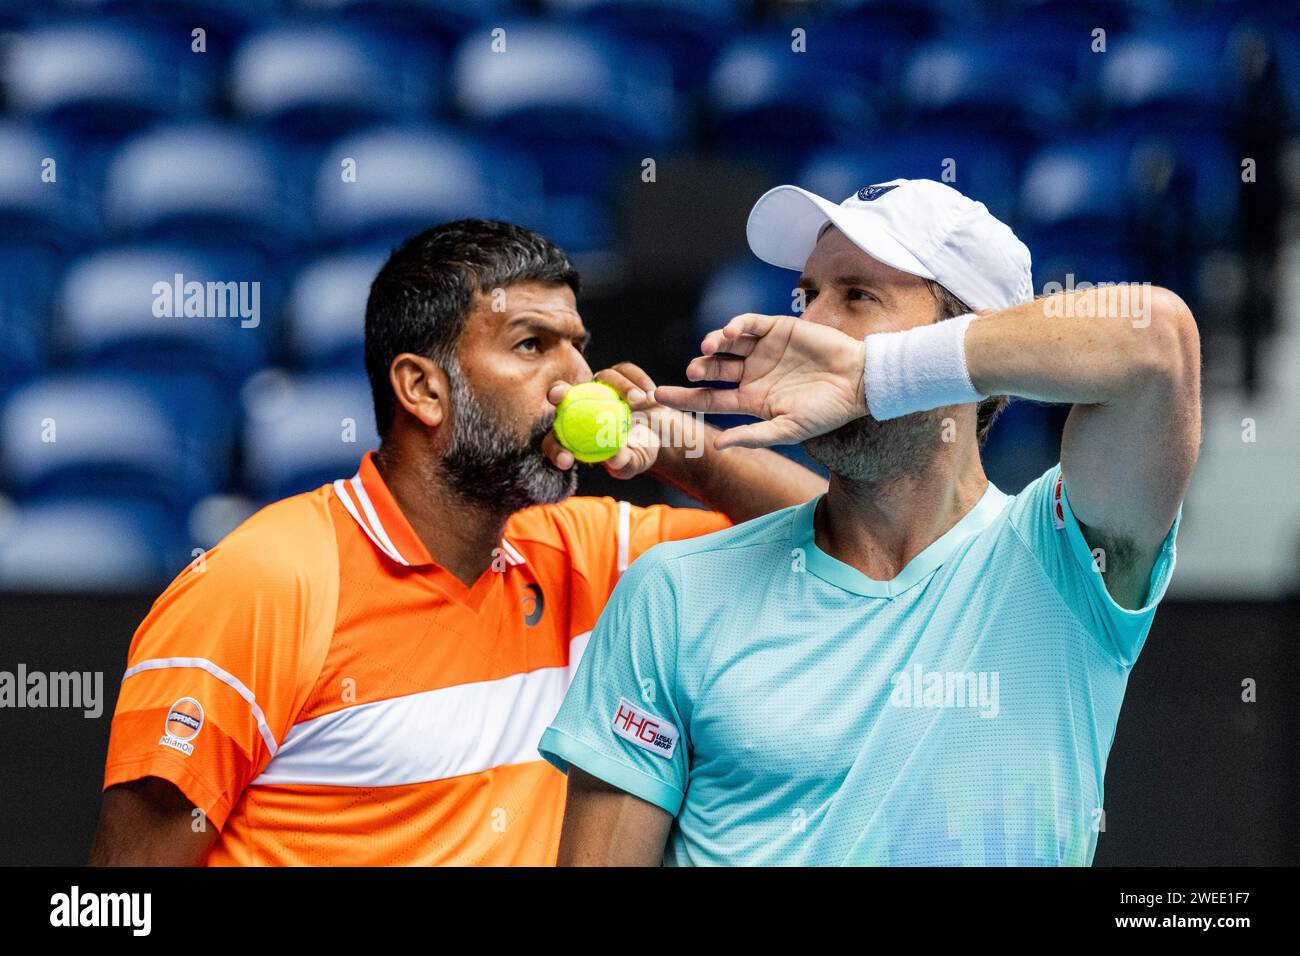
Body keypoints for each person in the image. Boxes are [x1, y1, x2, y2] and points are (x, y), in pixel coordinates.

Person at [89, 219, 826, 865]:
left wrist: (673, 442)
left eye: (578, 348)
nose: (577, 380)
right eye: (532, 345)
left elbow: (830, 531)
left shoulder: (588, 552)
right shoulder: (265, 582)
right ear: (424, 390)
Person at [540, 179, 1201, 866]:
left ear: (972, 336)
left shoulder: (1065, 558)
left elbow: (1157, 340)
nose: (812, 324)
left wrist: (874, 376)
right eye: (808, 296)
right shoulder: (671, 593)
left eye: (857, 295)